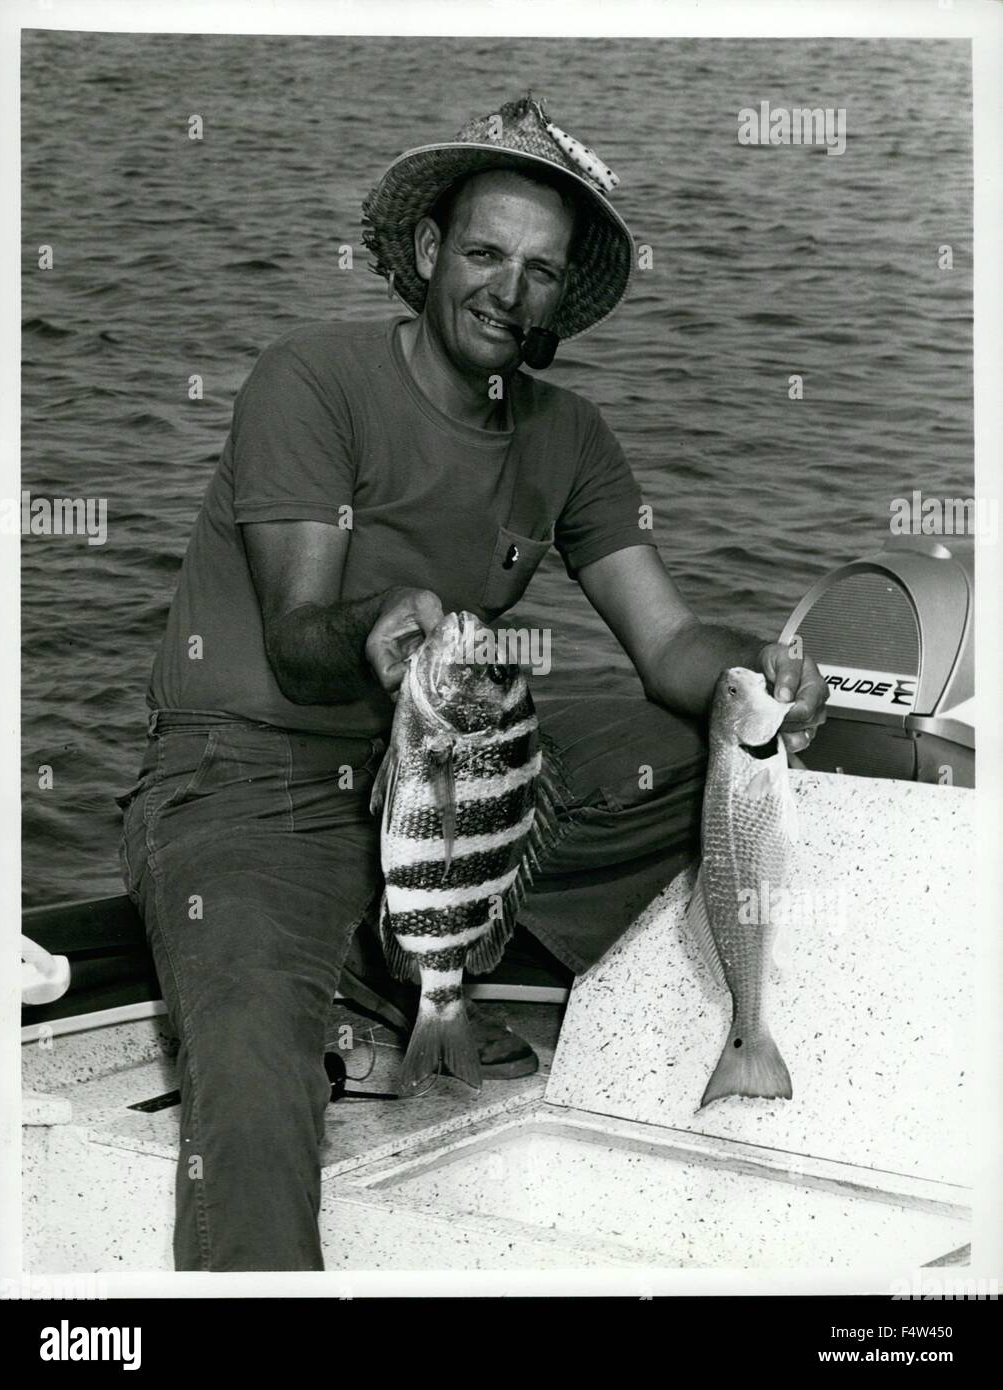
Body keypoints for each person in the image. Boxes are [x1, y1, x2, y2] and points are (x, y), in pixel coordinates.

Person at [118, 94, 828, 1272]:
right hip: (246, 785)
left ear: (563, 298)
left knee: (703, 755)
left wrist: (762, 676)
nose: (509, 289)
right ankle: (341, 980)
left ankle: (389, 964)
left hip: (443, 783)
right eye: (486, 253)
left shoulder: (569, 437)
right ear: (430, 254)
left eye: (541, 271)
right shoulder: (311, 380)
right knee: (253, 1091)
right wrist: (369, 626)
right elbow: (297, 633)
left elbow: (666, 649)